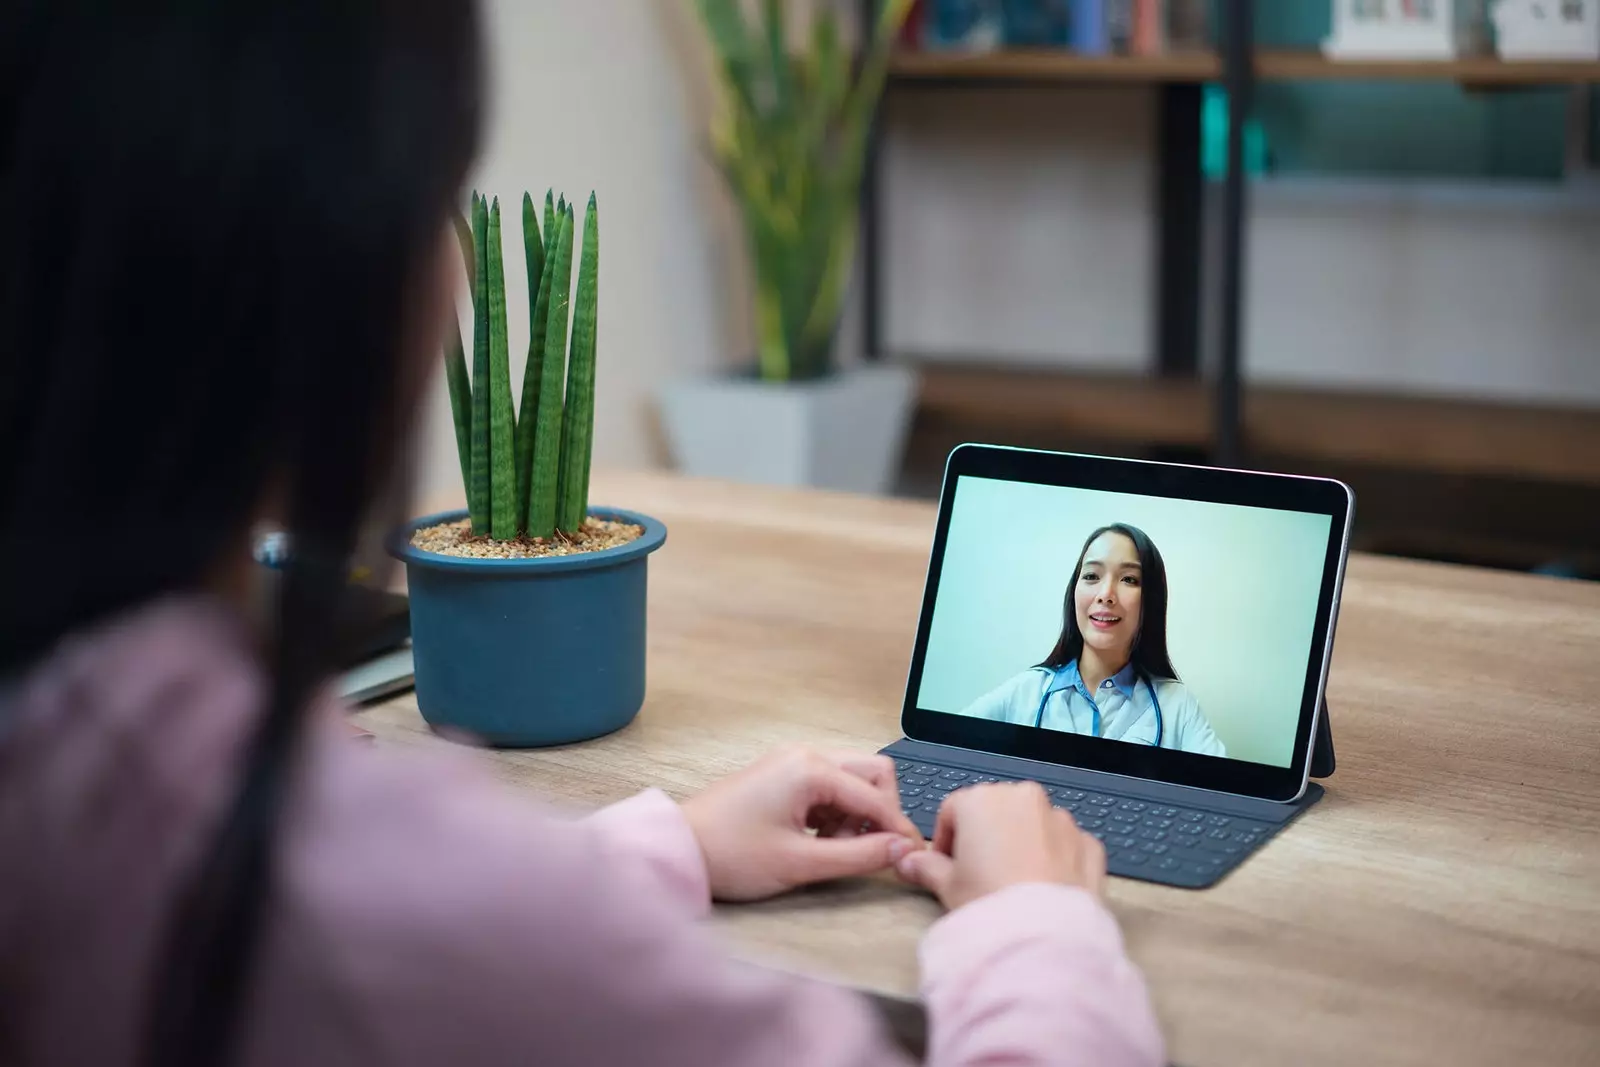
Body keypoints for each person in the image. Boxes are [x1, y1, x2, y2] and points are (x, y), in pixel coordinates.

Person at [0, 4, 1163, 1066]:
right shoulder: (319, 882)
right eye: (438, 195)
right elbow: (410, 924)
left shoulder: (69, 754)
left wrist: (669, 845)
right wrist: (1032, 923)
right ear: (317, 257)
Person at [962, 524, 1226, 757]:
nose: (1106, 594)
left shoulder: (1176, 705)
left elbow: (1221, 797)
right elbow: (943, 750)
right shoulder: (1025, 692)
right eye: (1091, 576)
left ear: (1151, 601)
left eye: (1129, 579)